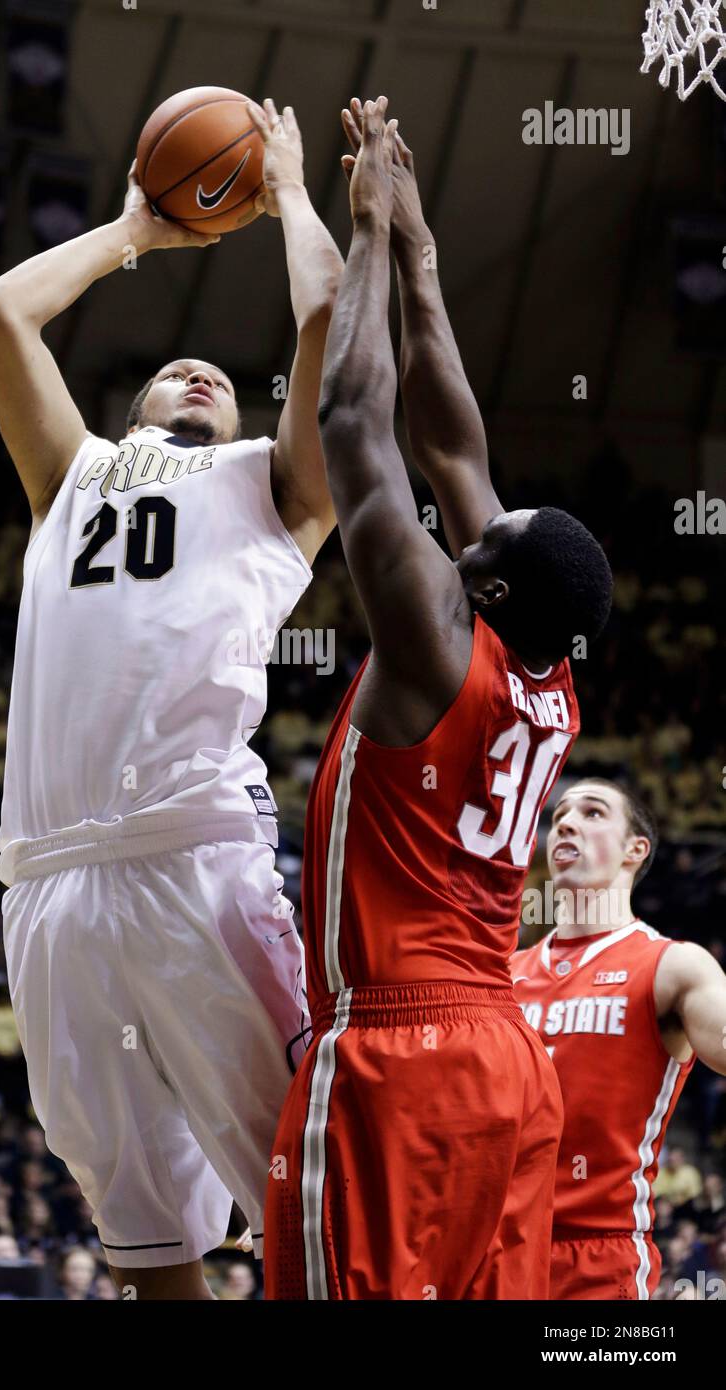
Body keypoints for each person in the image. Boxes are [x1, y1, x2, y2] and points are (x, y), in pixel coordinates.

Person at [0, 99, 341, 1300]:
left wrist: (287, 192)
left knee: (316, 1195)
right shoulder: (69, 475)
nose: (197, 369)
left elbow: (332, 328)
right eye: (177, 367)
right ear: (131, 409)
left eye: (222, 378)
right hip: (46, 881)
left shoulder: (272, 488)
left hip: (194, 859)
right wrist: (136, 230)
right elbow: (0, 314)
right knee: (150, 1258)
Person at [264, 98, 613, 1300]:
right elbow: (456, 455)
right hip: (504, 1062)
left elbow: (359, 421)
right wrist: (422, 257)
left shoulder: (430, 647)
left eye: (485, 538)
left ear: (491, 581)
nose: (473, 518)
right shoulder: (546, 673)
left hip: (394, 1049)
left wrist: (365, 229)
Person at [512, 778, 726, 1299]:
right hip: (493, 1246)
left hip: (596, 1255)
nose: (565, 822)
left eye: (592, 812)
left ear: (636, 849)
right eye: (560, 813)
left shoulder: (673, 965)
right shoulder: (502, 973)